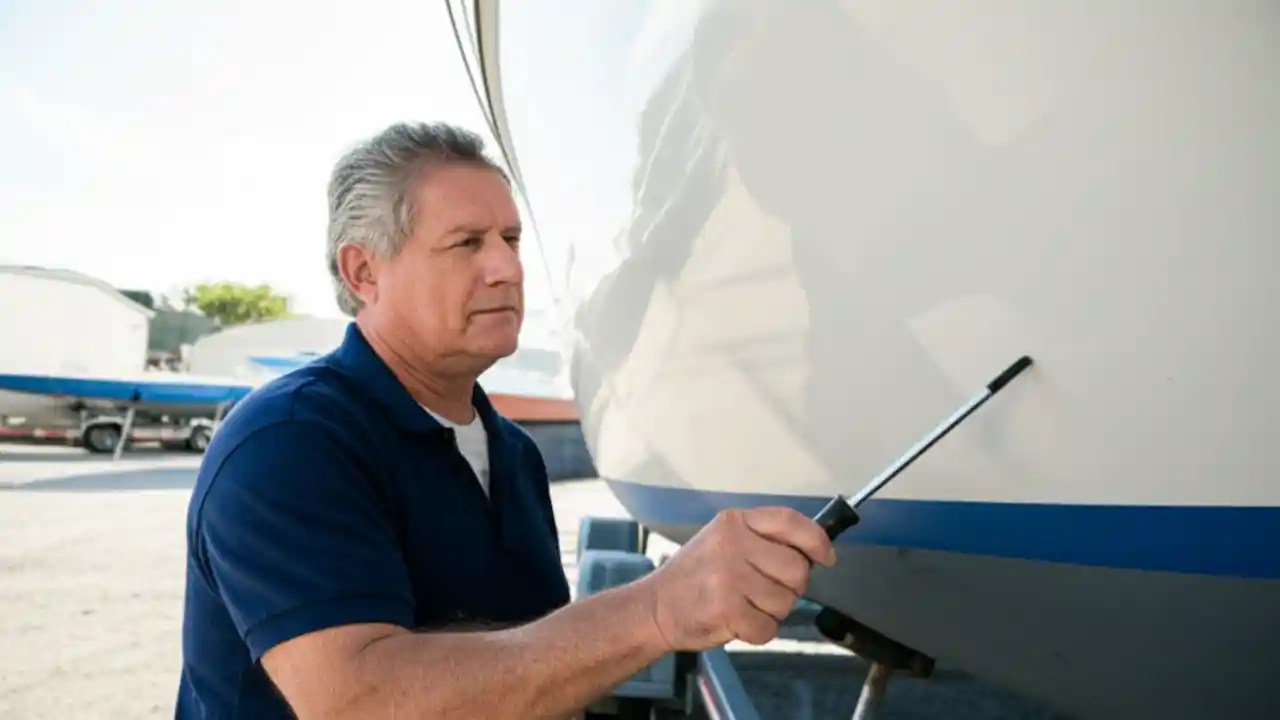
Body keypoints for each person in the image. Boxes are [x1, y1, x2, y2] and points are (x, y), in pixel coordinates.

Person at [175, 121, 837, 719]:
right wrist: (657, 608)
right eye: (466, 243)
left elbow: (530, 667)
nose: (507, 268)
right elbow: (360, 702)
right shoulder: (289, 442)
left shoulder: (510, 452)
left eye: (511, 239)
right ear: (363, 270)